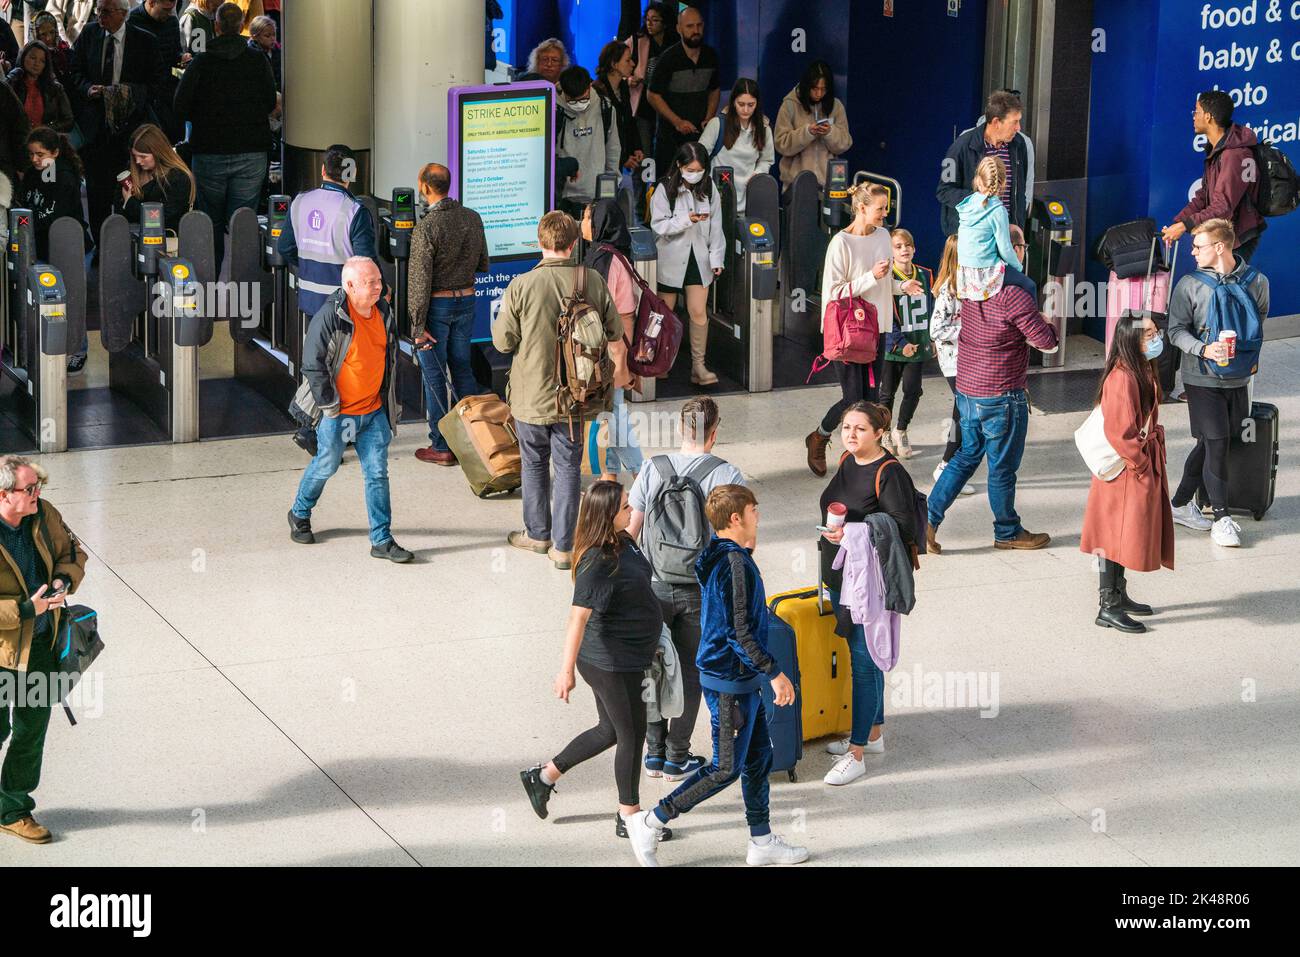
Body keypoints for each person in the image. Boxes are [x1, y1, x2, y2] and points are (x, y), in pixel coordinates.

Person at [622, 484, 808, 867]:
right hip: (729, 682)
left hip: (739, 678)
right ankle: (652, 820)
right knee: (725, 766)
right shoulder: (734, 565)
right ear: (737, 517)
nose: (760, 517)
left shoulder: (720, 554)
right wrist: (773, 673)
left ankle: (761, 841)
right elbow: (738, 630)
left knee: (758, 757)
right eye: (755, 511)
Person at [519, 480, 672, 846]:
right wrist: (565, 671)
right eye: (624, 506)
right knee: (631, 736)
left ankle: (543, 777)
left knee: (610, 730)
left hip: (627, 657)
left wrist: (647, 494)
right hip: (611, 664)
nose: (630, 511)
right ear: (607, 516)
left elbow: (635, 522)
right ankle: (629, 816)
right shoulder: (595, 562)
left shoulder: (623, 541)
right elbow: (577, 619)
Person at [492, 211, 622, 571]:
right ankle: (564, 548)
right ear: (574, 243)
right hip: (576, 396)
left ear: (540, 243)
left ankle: (537, 535)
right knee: (567, 467)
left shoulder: (521, 285)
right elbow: (613, 330)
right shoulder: (591, 279)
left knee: (533, 464)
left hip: (531, 396)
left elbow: (503, 342)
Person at [625, 395, 745, 781]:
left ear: (681, 428)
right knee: (691, 672)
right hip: (700, 588)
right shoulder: (727, 475)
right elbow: (739, 543)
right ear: (714, 432)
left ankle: (653, 754)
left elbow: (631, 531)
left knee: (654, 667)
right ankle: (678, 756)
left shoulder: (652, 468)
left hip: (653, 586)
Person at [925, 222, 1059, 552]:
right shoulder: (1013, 292)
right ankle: (1008, 531)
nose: (1025, 252)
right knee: (1001, 468)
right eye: (1023, 246)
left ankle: (926, 520)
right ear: (1012, 250)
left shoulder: (970, 285)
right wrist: (1045, 323)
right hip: (1002, 394)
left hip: (968, 389)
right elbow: (1048, 343)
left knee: (966, 455)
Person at [287, 257, 412, 564]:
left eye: (378, 281)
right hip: (339, 414)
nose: (377, 288)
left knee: (377, 474)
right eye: (369, 283)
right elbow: (312, 365)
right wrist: (330, 407)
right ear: (349, 285)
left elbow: (389, 358)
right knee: (326, 465)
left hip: (373, 413)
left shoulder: (383, 311)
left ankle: (381, 539)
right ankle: (299, 512)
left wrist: (388, 403)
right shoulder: (332, 316)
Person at [817, 402, 917, 783]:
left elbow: (903, 526)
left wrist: (853, 533)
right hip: (844, 579)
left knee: (864, 660)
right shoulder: (847, 460)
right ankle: (873, 733)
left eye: (860, 429)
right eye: (846, 427)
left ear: (879, 433)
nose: (851, 434)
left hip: (871, 584)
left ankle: (856, 753)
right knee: (861, 655)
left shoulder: (889, 474)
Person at [0, 455, 89, 845]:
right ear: (4, 495)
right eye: (29, 489)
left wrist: (61, 583)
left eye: (39, 487)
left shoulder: (44, 514)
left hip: (39, 645)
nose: (38, 494)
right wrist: (24, 609)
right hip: (2, 651)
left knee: (31, 729)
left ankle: (13, 809)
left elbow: (75, 553)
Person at [1166, 218, 1269, 548]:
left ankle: (1180, 503)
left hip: (1238, 376)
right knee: (1217, 443)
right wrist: (1203, 348)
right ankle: (1221, 518)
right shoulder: (1188, 285)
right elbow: (1175, 331)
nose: (1193, 252)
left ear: (1220, 247)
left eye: (1199, 246)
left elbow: (1258, 323)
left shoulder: (1257, 282)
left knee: (1209, 443)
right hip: (1201, 378)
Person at [278, 143, 384, 455]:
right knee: (341, 366)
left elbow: (285, 248)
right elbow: (366, 260)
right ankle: (312, 427)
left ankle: (318, 427)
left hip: (311, 298)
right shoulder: (354, 211)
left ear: (323, 171)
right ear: (350, 176)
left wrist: (307, 269)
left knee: (321, 362)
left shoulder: (300, 203)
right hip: (344, 302)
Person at [1080, 314, 1174, 634]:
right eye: (1147, 334)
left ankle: (1118, 595)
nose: (1155, 338)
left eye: (1155, 332)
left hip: (1128, 468)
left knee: (1120, 534)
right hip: (1123, 470)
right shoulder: (1122, 378)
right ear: (1130, 339)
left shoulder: (1139, 369)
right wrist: (1142, 465)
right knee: (1113, 535)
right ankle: (1108, 606)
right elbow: (1121, 432)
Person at [173, 0, 275, 273]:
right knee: (243, 221)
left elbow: (179, 105)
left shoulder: (201, 63)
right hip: (252, 151)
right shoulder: (257, 60)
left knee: (210, 221)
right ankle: (243, 283)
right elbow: (269, 101)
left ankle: (211, 277)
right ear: (242, 25)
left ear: (215, 27)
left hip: (209, 152)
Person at [804, 182, 894, 476]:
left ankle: (861, 457)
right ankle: (820, 436)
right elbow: (834, 294)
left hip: (877, 327)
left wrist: (902, 286)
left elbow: (888, 280)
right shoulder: (840, 243)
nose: (885, 214)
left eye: (886, 207)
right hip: (847, 331)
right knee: (852, 399)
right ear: (862, 208)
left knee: (869, 399)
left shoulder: (883, 236)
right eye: (880, 208)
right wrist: (870, 277)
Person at [406, 161, 489, 466]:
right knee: (463, 369)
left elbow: (419, 279)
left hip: (437, 306)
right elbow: (483, 263)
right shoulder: (472, 218)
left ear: (424, 186)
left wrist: (416, 324)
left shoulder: (427, 226)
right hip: (467, 300)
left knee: (435, 375)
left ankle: (441, 445)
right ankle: (473, 438)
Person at [67, 0, 165, 240]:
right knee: (97, 195)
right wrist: (88, 88)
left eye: (106, 12)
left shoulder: (145, 41)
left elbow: (157, 85)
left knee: (129, 193)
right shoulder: (90, 33)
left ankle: (125, 245)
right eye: (99, 11)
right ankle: (102, 246)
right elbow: (74, 71)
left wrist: (126, 93)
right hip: (95, 131)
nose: (100, 17)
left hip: (129, 132)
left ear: (123, 14)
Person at [649, 140, 725, 385]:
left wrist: (716, 258)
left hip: (699, 259)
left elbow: (716, 227)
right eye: (690, 170)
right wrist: (686, 219)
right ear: (679, 166)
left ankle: (698, 367)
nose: (694, 175)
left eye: (698, 170)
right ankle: (660, 361)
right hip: (670, 257)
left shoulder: (710, 188)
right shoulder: (664, 188)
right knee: (664, 312)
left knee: (698, 312)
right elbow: (659, 226)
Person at [1161, 90, 1265, 263]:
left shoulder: (1234, 155)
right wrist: (1179, 223)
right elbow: (1203, 196)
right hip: (1224, 234)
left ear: (1208, 117)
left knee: (1226, 289)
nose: (1194, 117)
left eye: (1197, 112)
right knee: (1213, 288)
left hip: (1238, 236)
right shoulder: (1218, 150)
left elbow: (1222, 207)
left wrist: (1184, 226)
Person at [581, 198, 644, 477]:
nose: (581, 223)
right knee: (609, 412)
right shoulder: (615, 254)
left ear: (598, 224)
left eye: (585, 218)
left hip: (610, 347)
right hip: (617, 345)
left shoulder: (603, 259)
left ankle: (643, 476)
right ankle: (610, 479)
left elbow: (598, 309)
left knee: (614, 413)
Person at [936, 90, 1027, 238]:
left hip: (1005, 234)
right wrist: (979, 199)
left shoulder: (1018, 145)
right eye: (1014, 122)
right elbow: (944, 191)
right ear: (997, 122)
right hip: (972, 237)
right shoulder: (960, 147)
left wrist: (1018, 227)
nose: (1019, 128)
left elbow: (1020, 191)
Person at [644, 4, 718, 183]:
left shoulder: (711, 56)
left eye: (699, 25)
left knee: (699, 187)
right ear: (679, 29)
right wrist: (676, 121)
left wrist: (709, 117)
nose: (696, 30)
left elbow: (714, 89)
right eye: (690, 26)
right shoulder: (668, 58)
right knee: (667, 185)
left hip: (699, 138)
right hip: (669, 138)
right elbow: (652, 95)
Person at [928, 234, 976, 496]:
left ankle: (948, 466)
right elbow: (935, 329)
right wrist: (968, 331)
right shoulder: (948, 289)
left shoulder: (972, 284)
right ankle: (946, 466)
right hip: (954, 362)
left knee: (964, 414)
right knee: (963, 414)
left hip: (968, 360)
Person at [879, 228, 933, 459]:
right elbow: (885, 314)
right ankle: (884, 433)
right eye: (898, 246)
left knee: (913, 390)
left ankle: (901, 429)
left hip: (918, 342)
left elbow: (932, 308)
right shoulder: (886, 277)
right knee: (886, 394)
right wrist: (899, 344)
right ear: (890, 252)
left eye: (907, 245)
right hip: (894, 346)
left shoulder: (925, 273)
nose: (904, 249)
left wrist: (932, 337)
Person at [955, 155, 1034, 302]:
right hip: (985, 273)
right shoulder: (998, 210)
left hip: (964, 273)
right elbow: (1005, 248)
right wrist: (1018, 268)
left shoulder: (967, 205)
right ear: (1003, 183)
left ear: (978, 180)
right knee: (1029, 285)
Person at [697, 77, 773, 215]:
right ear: (733, 102)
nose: (745, 109)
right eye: (741, 104)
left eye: (751, 105)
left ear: (757, 104)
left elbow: (766, 160)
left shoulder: (764, 128)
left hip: (748, 201)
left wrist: (758, 174)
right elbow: (698, 159)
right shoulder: (717, 124)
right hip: (715, 203)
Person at [773, 60, 852, 189]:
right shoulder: (789, 105)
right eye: (815, 89)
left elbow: (845, 144)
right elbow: (781, 144)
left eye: (823, 89)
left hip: (828, 184)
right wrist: (807, 133)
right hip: (796, 184)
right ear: (806, 85)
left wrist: (830, 133)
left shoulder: (836, 106)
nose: (819, 94)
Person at [555, 65, 620, 220]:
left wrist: (612, 185)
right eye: (572, 100)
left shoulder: (605, 107)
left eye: (583, 98)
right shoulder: (554, 110)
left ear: (589, 86)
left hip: (595, 195)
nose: (579, 104)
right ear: (563, 90)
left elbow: (613, 148)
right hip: (563, 197)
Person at [958, 87, 1036, 214]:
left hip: (1007, 222)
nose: (1017, 126)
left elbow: (1026, 184)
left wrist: (1019, 217)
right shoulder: (967, 139)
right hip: (976, 220)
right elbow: (951, 186)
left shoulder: (1023, 143)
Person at [19, 126, 87, 264]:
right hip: (38, 247)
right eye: (31, 154)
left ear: (55, 152)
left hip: (66, 249)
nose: (34, 159)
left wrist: (22, 224)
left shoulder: (64, 178)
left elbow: (54, 216)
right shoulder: (30, 174)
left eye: (40, 154)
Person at [625, 1, 675, 176]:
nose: (649, 23)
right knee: (643, 152)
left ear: (665, 22)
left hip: (667, 105)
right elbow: (617, 65)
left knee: (664, 152)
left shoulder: (674, 43)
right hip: (643, 105)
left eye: (655, 20)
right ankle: (641, 198)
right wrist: (629, 79)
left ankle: (661, 189)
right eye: (647, 19)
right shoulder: (637, 40)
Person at [115, 121, 194, 224]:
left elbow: (161, 218)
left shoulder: (178, 177)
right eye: (135, 156)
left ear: (158, 152)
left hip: (165, 237)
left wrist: (129, 202)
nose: (138, 161)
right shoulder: (131, 173)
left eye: (143, 156)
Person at [126, 0, 182, 141]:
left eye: (171, 10)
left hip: (166, 93)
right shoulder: (131, 22)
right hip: (142, 95)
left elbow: (175, 56)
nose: (169, 14)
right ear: (151, 3)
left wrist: (182, 59)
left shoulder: (172, 22)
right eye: (165, 10)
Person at [592, 40, 642, 190]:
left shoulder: (623, 88)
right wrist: (622, 158)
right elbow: (601, 135)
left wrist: (636, 147)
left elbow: (628, 120)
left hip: (620, 159)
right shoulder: (597, 92)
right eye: (627, 60)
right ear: (614, 64)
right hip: (604, 163)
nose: (633, 64)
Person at [6, 40, 74, 131]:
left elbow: (68, 121)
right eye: (33, 58)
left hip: (44, 140)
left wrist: (44, 129)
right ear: (23, 57)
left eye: (42, 61)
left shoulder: (55, 88)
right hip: (16, 140)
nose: (37, 63)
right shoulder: (13, 83)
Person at [30, 12, 74, 84]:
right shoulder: (30, 57)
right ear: (36, 35)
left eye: (52, 32)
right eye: (43, 34)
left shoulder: (65, 51)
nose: (48, 38)